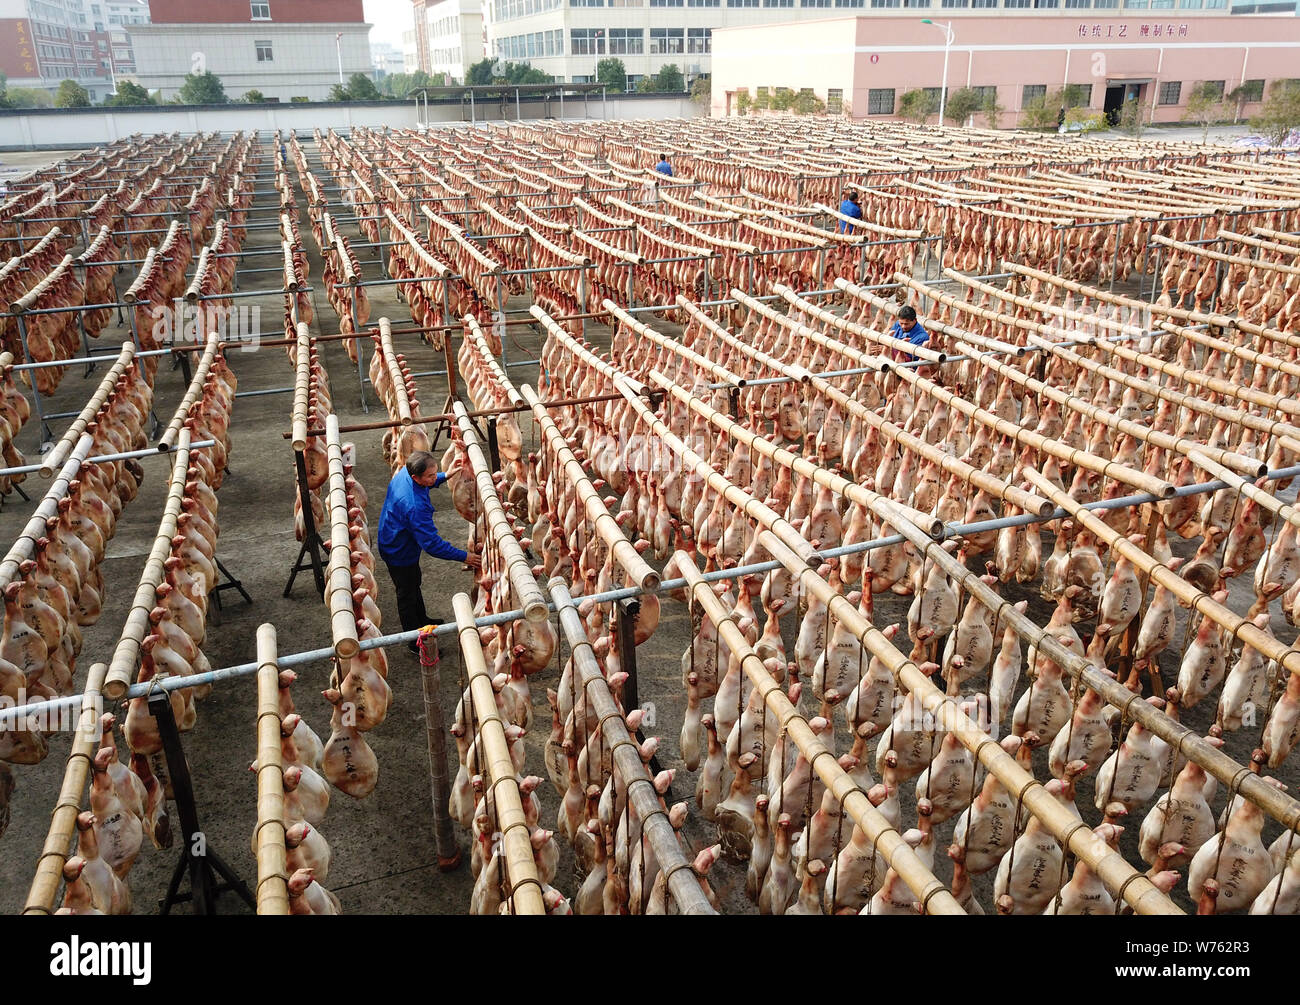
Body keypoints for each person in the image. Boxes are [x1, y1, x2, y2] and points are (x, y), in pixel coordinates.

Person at [377, 450, 481, 654]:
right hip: (398, 549)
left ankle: (422, 620)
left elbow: (428, 480)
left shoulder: (405, 474)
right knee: (406, 592)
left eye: (435, 473)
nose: (434, 478)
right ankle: (415, 641)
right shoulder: (415, 506)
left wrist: (445, 475)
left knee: (414, 582)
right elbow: (432, 544)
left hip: (397, 535)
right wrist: (464, 556)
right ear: (416, 477)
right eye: (431, 476)